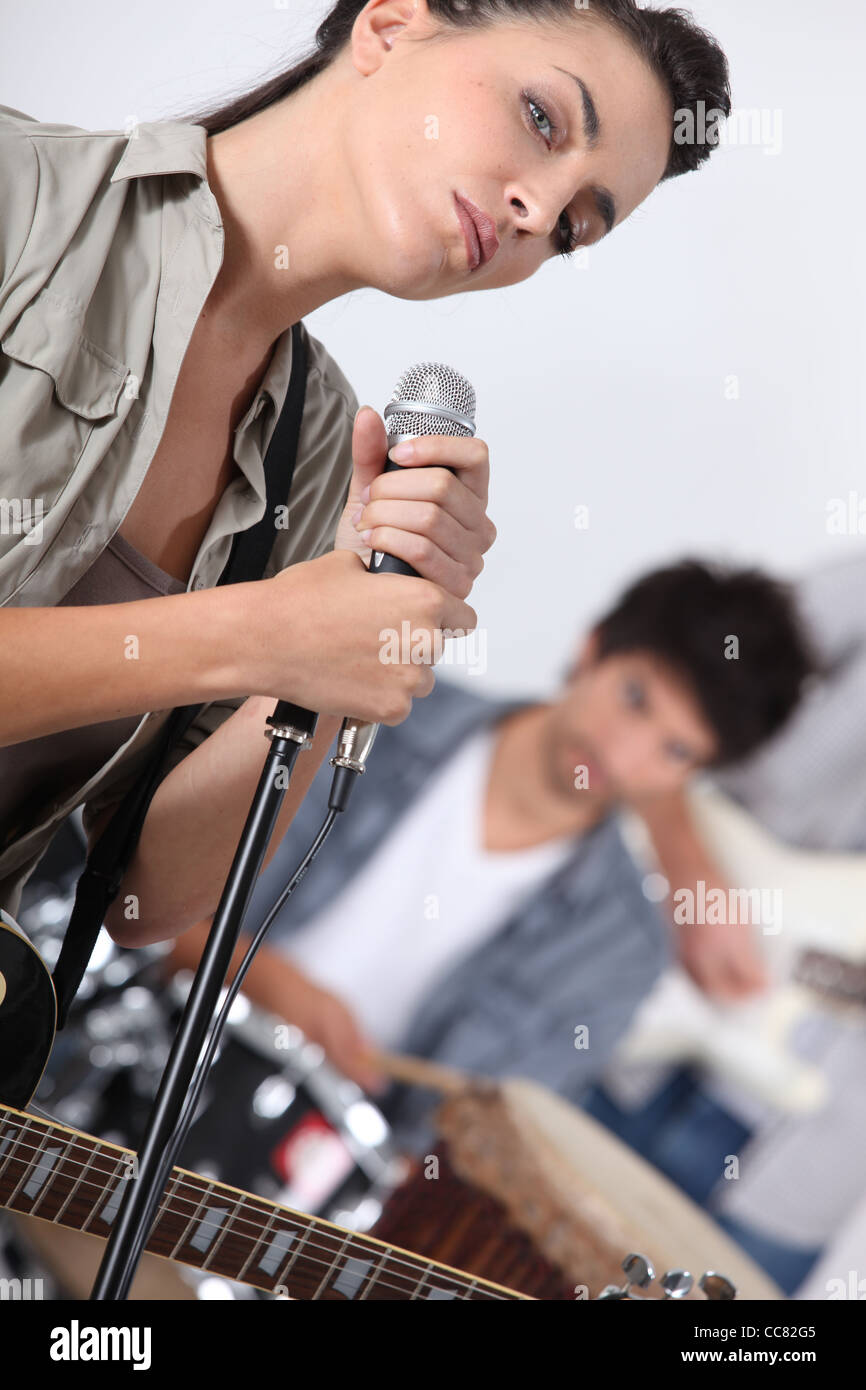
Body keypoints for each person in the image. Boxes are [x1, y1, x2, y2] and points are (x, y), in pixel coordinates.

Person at [0, 0, 732, 940]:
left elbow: (145, 902)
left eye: (573, 231)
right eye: (543, 119)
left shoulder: (317, 451)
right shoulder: (25, 198)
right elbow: (246, 637)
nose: (539, 211)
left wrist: (327, 654)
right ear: (391, 26)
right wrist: (257, 632)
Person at [166, 557, 816, 1152]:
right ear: (592, 648)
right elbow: (127, 900)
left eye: (675, 751)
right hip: (138, 1031)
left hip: (282, 1178)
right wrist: (267, 983)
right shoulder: (367, 706)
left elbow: (456, 1165)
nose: (623, 753)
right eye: (635, 698)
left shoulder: (621, 956)